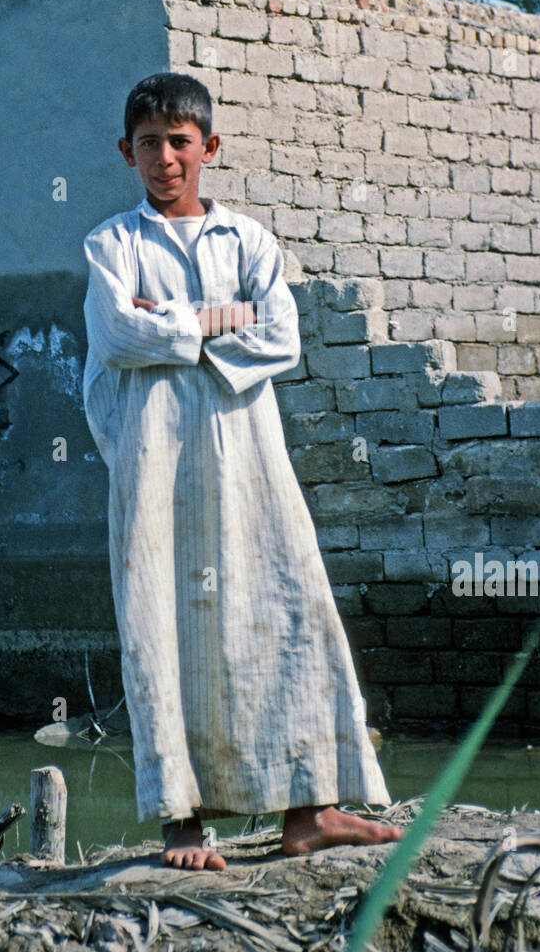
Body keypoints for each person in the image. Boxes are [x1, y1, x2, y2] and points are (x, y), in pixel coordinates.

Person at [81, 72, 403, 869]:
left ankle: (310, 807)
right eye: (149, 144)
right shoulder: (111, 245)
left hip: (249, 458)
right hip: (154, 466)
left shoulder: (251, 242)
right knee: (162, 621)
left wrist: (173, 325)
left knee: (287, 602)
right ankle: (182, 823)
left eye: (180, 142)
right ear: (128, 152)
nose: (165, 158)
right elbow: (117, 337)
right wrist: (214, 320)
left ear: (209, 148)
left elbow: (281, 337)